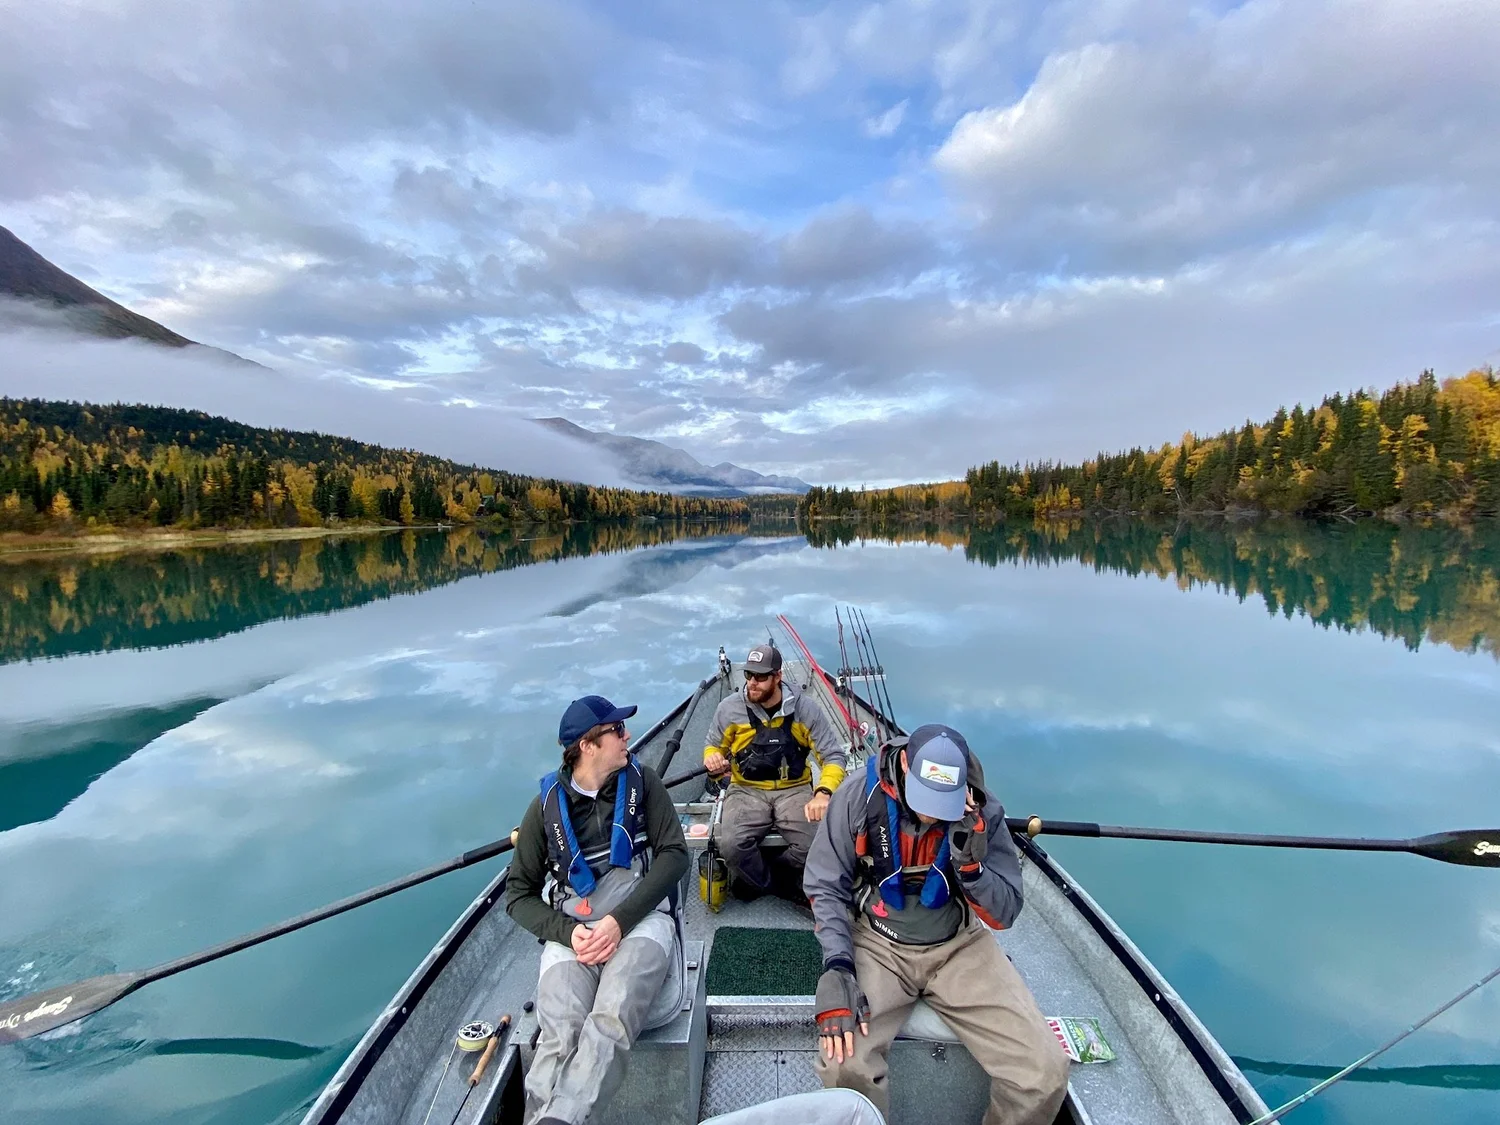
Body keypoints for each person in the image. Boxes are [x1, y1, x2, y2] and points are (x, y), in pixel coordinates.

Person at [803, 724, 1069, 1125]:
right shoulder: (857, 795)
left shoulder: (985, 813)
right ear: (905, 765)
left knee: (1043, 1075)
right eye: (925, 797)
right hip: (879, 944)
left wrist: (972, 866)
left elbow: (1006, 913)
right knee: (844, 1065)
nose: (931, 813)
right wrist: (838, 966)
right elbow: (825, 885)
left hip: (959, 946)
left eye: (943, 802)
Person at [506, 694, 690, 1125]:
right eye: (617, 731)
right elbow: (519, 895)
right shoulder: (543, 809)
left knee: (611, 1016)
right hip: (573, 935)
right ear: (588, 746)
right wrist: (568, 933)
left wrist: (618, 922)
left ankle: (560, 1120)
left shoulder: (645, 785)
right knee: (560, 1033)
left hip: (641, 922)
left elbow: (675, 857)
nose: (627, 737)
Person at [703, 643, 846, 901]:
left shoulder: (806, 709)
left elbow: (833, 756)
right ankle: (783, 887)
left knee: (820, 842)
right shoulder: (729, 709)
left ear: (778, 676)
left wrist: (823, 793)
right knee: (732, 846)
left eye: (760, 677)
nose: (752, 683)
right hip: (746, 789)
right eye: (748, 675)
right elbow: (713, 746)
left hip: (795, 790)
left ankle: (763, 878)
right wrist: (713, 761)